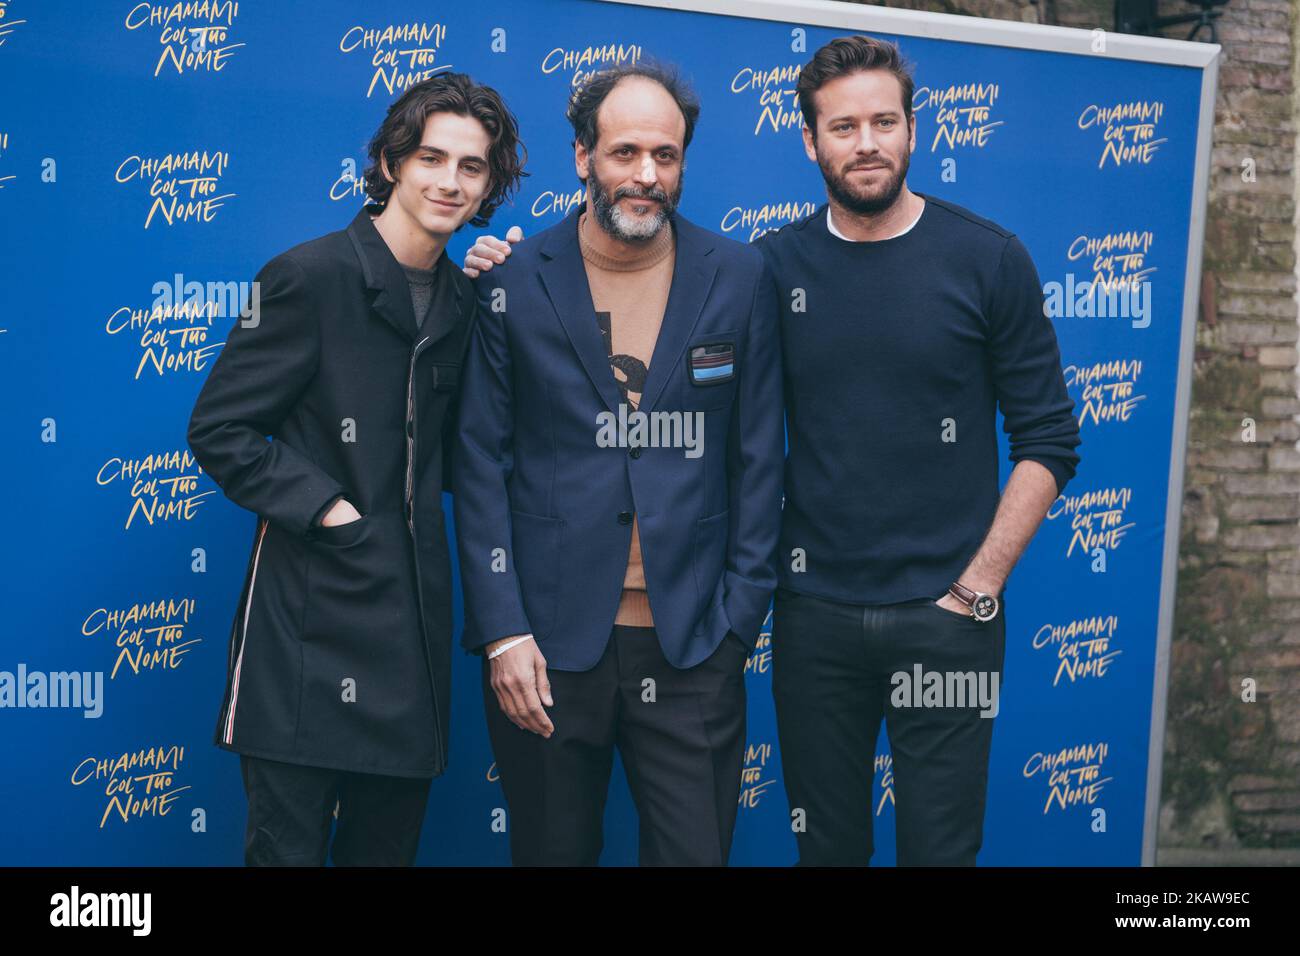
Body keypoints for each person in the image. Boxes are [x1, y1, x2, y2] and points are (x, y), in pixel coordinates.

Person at [463, 35, 1081, 867]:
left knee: (940, 851)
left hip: (882, 629)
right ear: (809, 141)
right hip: (766, 625)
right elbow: (488, 458)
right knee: (820, 849)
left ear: (911, 129)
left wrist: (972, 591)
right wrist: (505, 632)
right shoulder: (752, 268)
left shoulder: (966, 259)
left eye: (883, 122)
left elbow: (1042, 438)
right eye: (843, 126)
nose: (865, 142)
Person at [187, 73, 526, 866]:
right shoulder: (305, 276)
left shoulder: (466, 301)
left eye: (471, 167)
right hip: (304, 631)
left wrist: (509, 291)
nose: (449, 181)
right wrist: (328, 509)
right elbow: (219, 427)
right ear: (389, 163)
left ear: (489, 186)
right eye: (431, 158)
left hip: (407, 639)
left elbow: (468, 452)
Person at [453, 62, 783, 866]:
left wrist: (736, 627)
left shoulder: (738, 277)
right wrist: (502, 633)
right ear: (581, 157)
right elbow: (479, 463)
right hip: (547, 652)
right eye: (626, 151)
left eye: (665, 156)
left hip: (693, 647)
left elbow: (760, 457)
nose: (646, 174)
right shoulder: (515, 283)